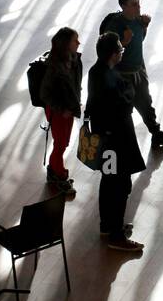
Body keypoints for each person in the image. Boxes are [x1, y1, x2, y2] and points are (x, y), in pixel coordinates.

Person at [85, 32, 146, 253]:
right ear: (112, 54)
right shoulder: (109, 75)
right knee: (120, 185)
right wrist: (129, 90)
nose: (123, 51)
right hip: (117, 140)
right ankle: (117, 235)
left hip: (105, 139)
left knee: (109, 181)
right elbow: (126, 103)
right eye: (120, 49)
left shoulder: (96, 71)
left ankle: (107, 225)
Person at [99, 0, 163, 151]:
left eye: (138, 3)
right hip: (123, 76)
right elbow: (108, 51)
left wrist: (145, 26)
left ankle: (157, 134)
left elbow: (139, 40)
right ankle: (120, 144)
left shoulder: (137, 21)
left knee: (146, 104)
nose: (138, 7)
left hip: (138, 71)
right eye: (134, 4)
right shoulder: (115, 25)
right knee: (123, 110)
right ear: (123, 6)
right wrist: (123, 42)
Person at [41, 27, 83, 198]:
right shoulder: (54, 66)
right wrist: (62, 109)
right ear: (66, 44)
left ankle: (55, 170)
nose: (78, 43)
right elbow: (45, 94)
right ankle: (57, 174)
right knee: (60, 143)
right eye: (75, 40)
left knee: (63, 142)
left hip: (68, 108)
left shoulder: (74, 60)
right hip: (58, 110)